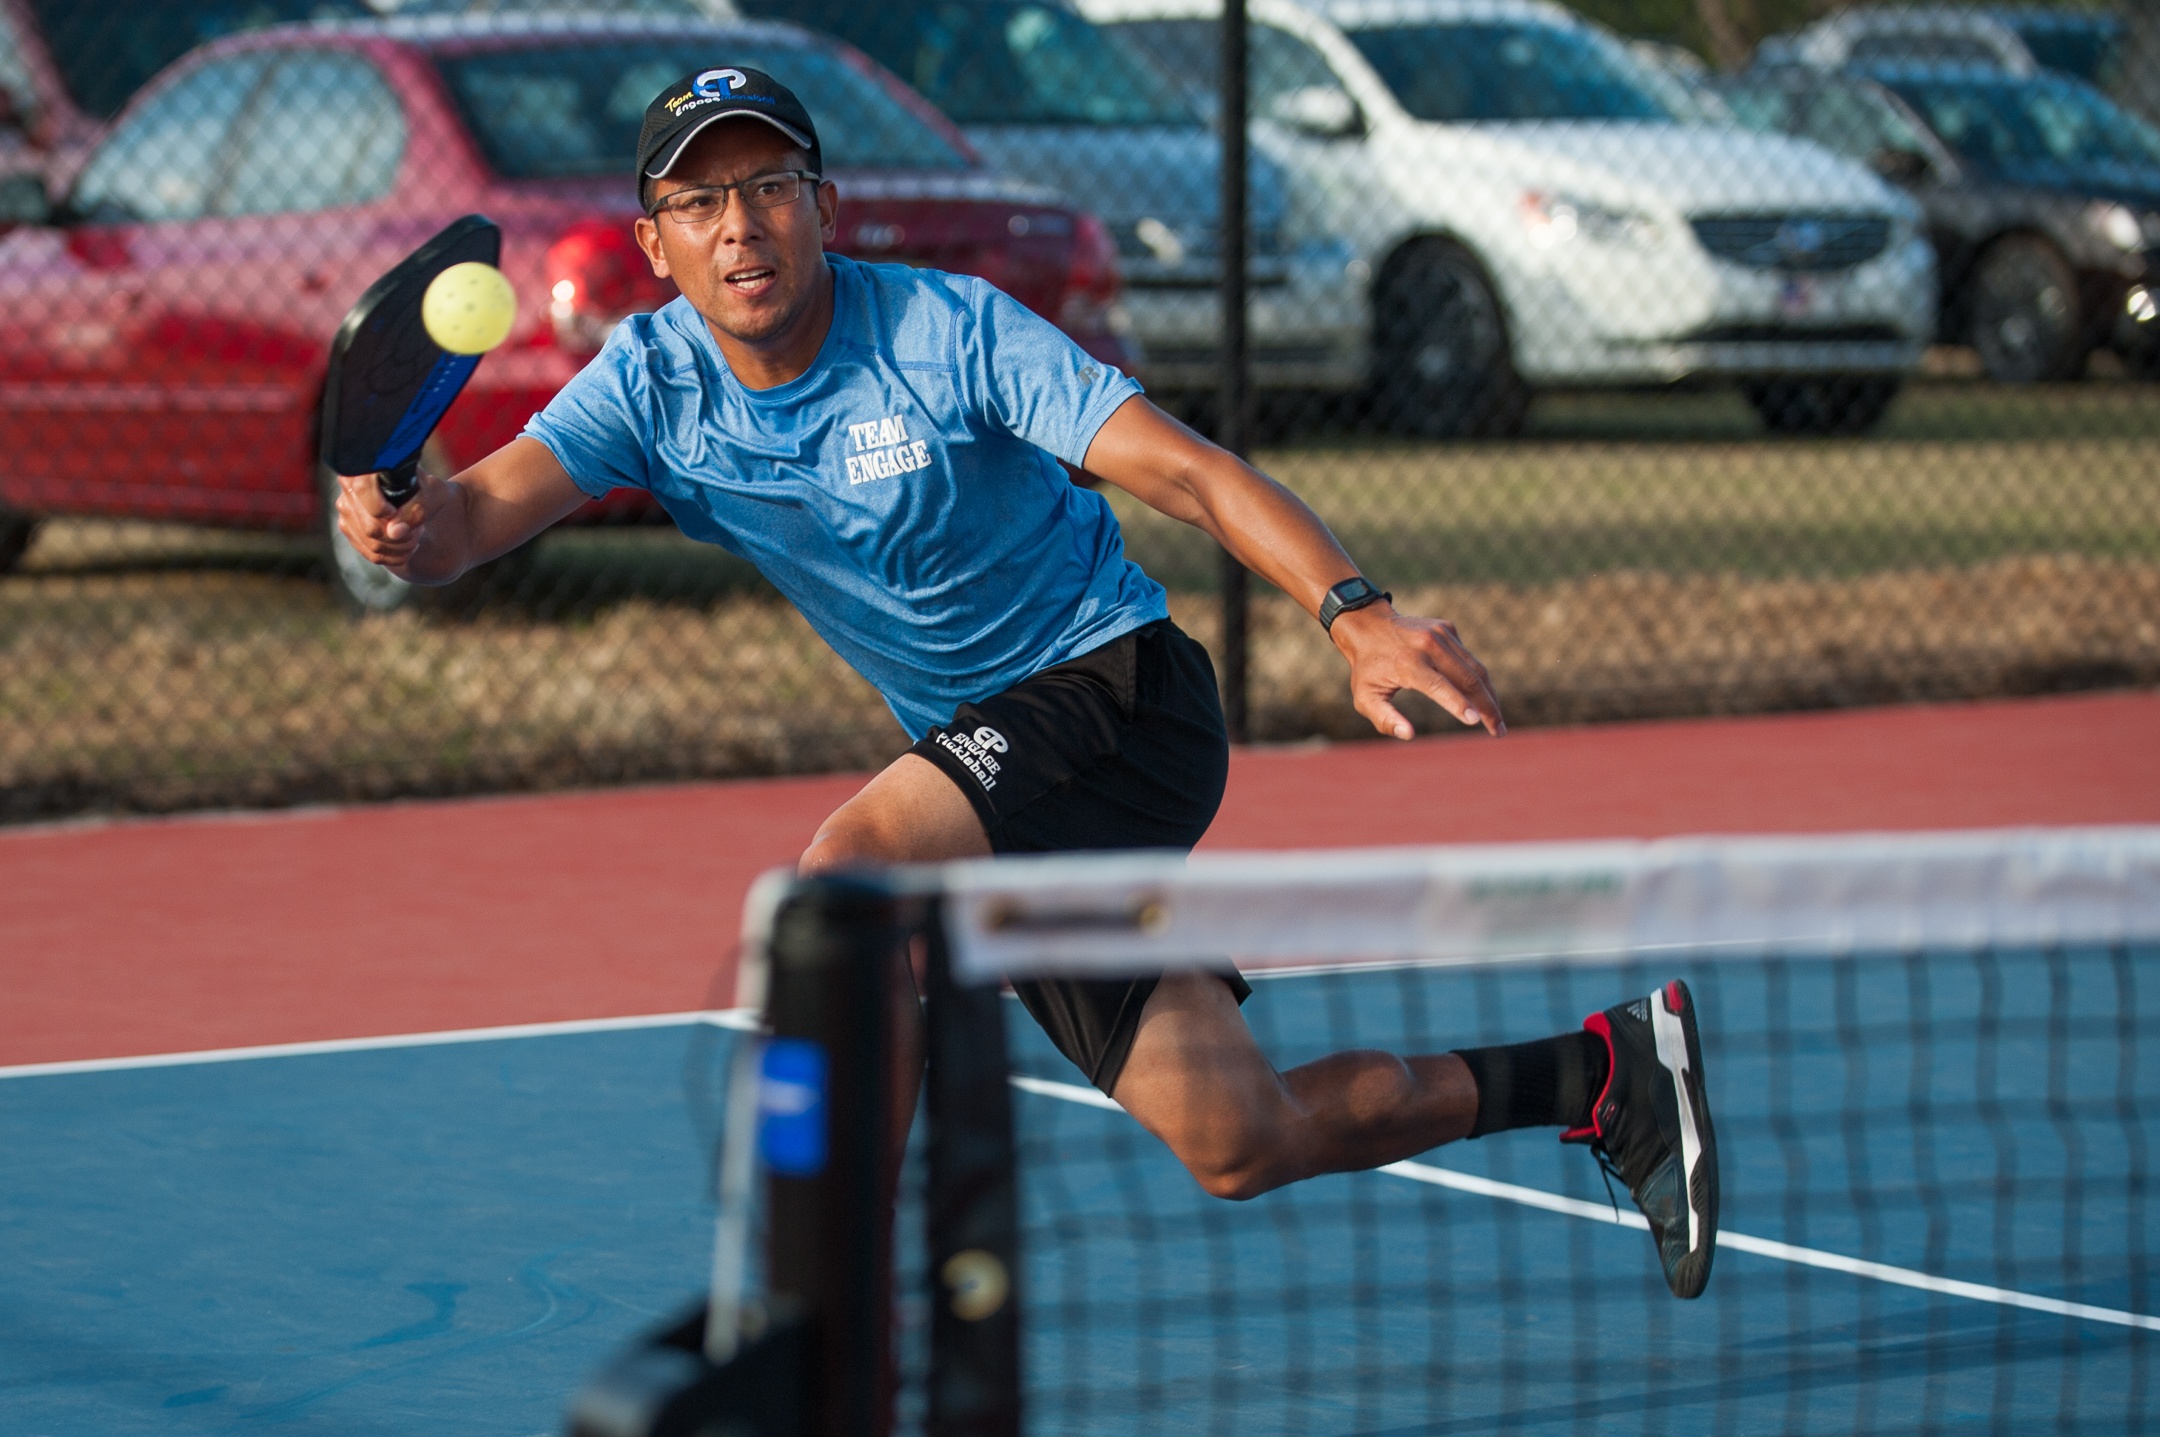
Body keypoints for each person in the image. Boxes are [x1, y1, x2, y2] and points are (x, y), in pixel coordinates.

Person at [335, 68, 1717, 1298]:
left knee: (851, 872)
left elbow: (1189, 471)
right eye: (701, 203)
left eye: (767, 186)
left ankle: (834, 1303)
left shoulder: (948, 331)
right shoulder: (649, 383)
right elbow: (461, 528)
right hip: (1001, 775)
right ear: (656, 244)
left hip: (1118, 696)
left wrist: (1351, 610)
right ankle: (1603, 1077)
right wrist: (397, 515)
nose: (740, 225)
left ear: (823, 203)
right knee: (1244, 1138)